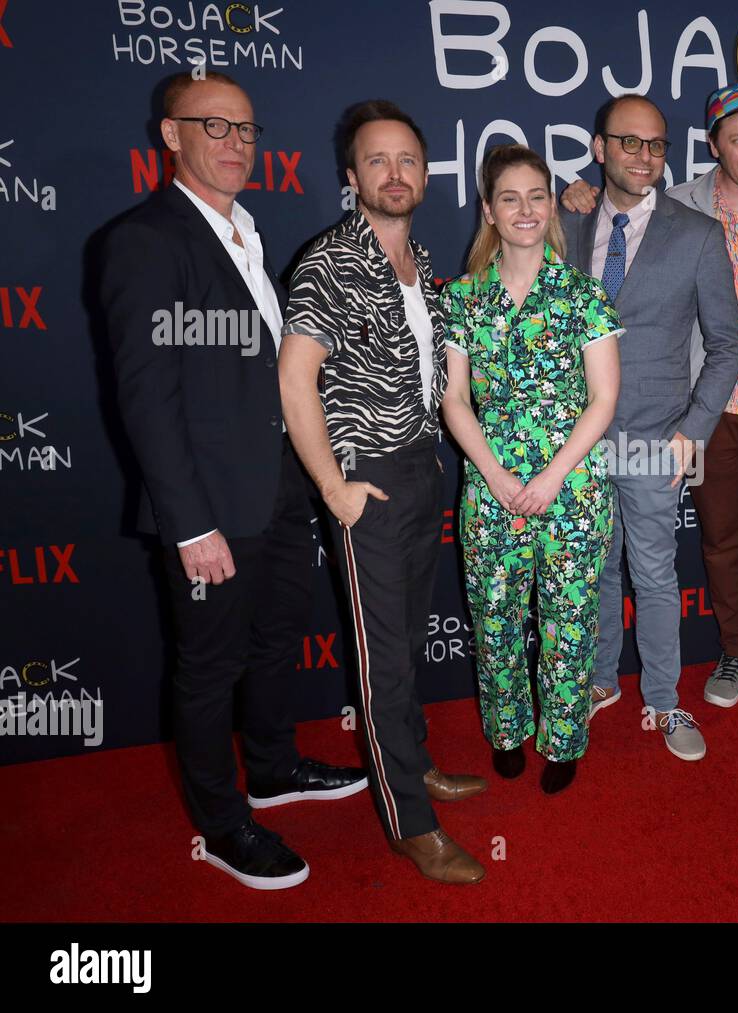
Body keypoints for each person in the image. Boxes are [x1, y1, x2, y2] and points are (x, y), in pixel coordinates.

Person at [100, 72, 365, 891]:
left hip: (283, 485)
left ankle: (275, 768)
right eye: (213, 127)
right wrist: (188, 524)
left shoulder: (251, 231)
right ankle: (221, 825)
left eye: (246, 130)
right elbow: (148, 398)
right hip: (211, 507)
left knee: (278, 638)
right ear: (169, 136)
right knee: (210, 668)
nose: (236, 144)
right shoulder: (146, 239)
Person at [566, 85, 738, 759]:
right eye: (737, 137)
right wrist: (573, 193)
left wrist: (691, 423)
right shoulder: (660, 203)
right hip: (660, 418)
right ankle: (729, 652)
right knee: (707, 545)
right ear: (713, 143)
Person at [280, 100, 486, 885]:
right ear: (351, 176)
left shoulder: (421, 256)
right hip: (365, 480)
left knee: (402, 643)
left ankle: (417, 765)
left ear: (424, 172)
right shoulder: (327, 261)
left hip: (423, 467)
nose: (394, 174)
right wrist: (335, 488)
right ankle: (410, 822)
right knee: (382, 660)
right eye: (377, 161)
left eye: (407, 160)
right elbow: (296, 381)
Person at [560, 94, 738, 761]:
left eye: (657, 145)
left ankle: (665, 700)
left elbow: (729, 344)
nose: (645, 156)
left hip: (652, 435)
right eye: (630, 142)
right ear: (599, 146)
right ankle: (602, 678)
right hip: (572, 438)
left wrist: (693, 431)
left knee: (656, 573)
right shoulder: (565, 216)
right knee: (596, 566)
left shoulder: (697, 234)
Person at [440, 144, 621, 795]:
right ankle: (508, 730)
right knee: (494, 619)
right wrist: (495, 475)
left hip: (570, 491)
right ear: (489, 210)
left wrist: (550, 477)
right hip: (490, 490)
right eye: (509, 198)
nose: (524, 210)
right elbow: (454, 399)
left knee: (568, 625)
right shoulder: (463, 298)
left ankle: (565, 739)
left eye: (536, 197)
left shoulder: (582, 294)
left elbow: (603, 398)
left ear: (551, 207)